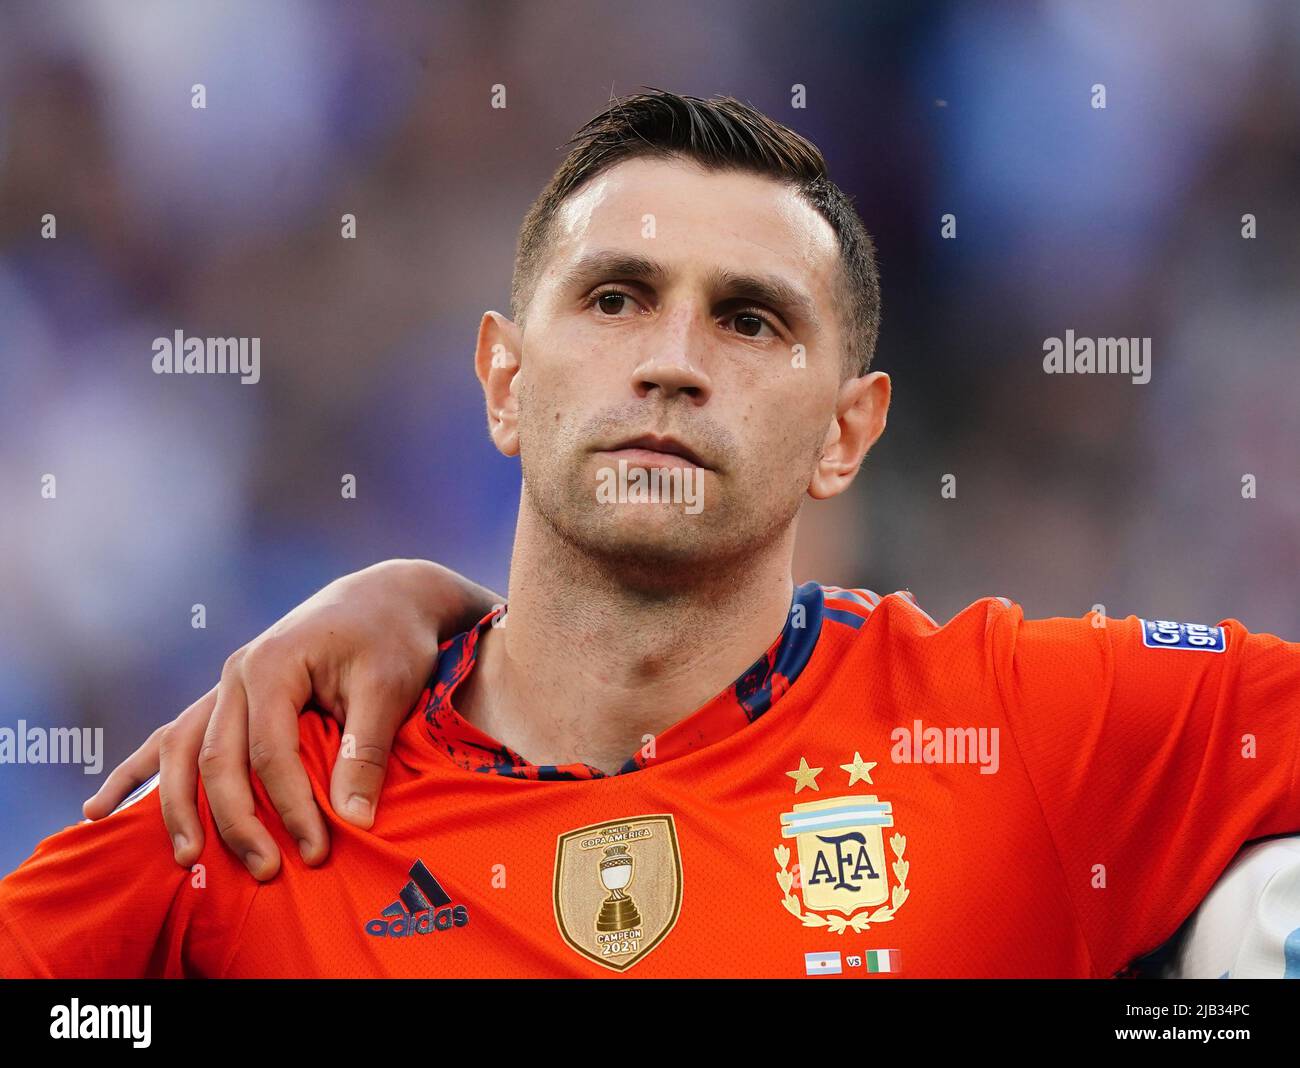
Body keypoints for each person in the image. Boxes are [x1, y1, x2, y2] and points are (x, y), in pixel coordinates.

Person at [3, 91, 1298, 978]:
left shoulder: (1025, 727)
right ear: (505, 381)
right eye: (616, 298)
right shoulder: (272, 798)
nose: (672, 363)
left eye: (750, 320)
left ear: (849, 433)